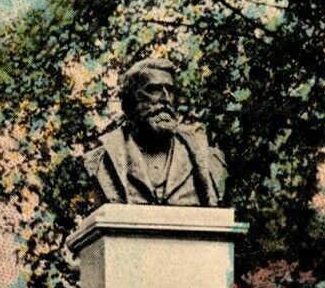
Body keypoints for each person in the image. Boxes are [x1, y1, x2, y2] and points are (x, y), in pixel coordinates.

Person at [83, 57, 228, 207]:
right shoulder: (101, 161)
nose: (166, 99)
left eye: (170, 90)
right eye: (153, 90)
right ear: (128, 104)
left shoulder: (209, 160)